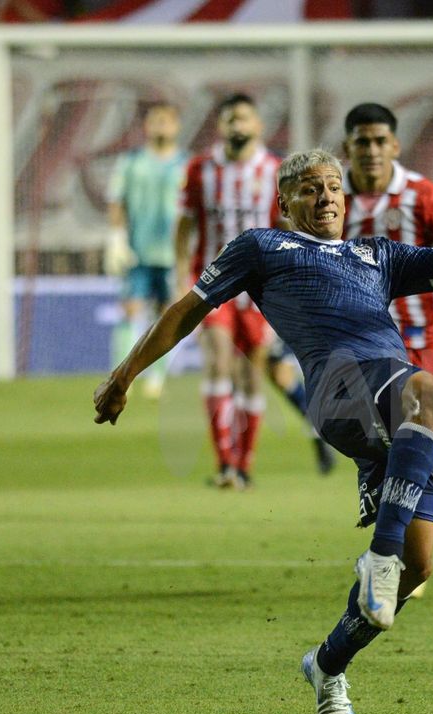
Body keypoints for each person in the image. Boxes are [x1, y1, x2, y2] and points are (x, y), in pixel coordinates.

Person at [94, 149, 433, 714]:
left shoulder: (376, 254)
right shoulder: (262, 247)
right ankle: (378, 557)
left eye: (333, 186)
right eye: (310, 188)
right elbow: (188, 309)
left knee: (418, 567)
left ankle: (328, 665)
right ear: (284, 204)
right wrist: (125, 375)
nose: (327, 196)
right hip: (340, 389)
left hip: (391, 405)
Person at [175, 93, 281, 489]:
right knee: (218, 362)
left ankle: (244, 465)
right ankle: (224, 464)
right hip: (212, 282)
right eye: (230, 118)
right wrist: (180, 278)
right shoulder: (201, 169)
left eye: (244, 118)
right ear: (220, 126)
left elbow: (284, 228)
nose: (237, 125)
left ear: (258, 125)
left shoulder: (275, 171)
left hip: (260, 290)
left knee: (251, 375)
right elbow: (184, 227)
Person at [341, 103, 433, 373]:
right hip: (351, 338)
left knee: (422, 403)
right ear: (347, 148)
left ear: (395, 146)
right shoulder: (330, 197)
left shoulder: (423, 196)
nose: (372, 151)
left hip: (412, 339)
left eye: (380, 141)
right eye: (362, 142)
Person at [105, 102, 187, 398]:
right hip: (137, 251)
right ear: (146, 126)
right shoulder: (131, 162)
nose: (161, 126)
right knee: (130, 308)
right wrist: (117, 237)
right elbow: (116, 200)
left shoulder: (187, 164)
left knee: (166, 315)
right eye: (156, 121)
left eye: (166, 120)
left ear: (176, 126)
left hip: (172, 253)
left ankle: (158, 377)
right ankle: (120, 375)